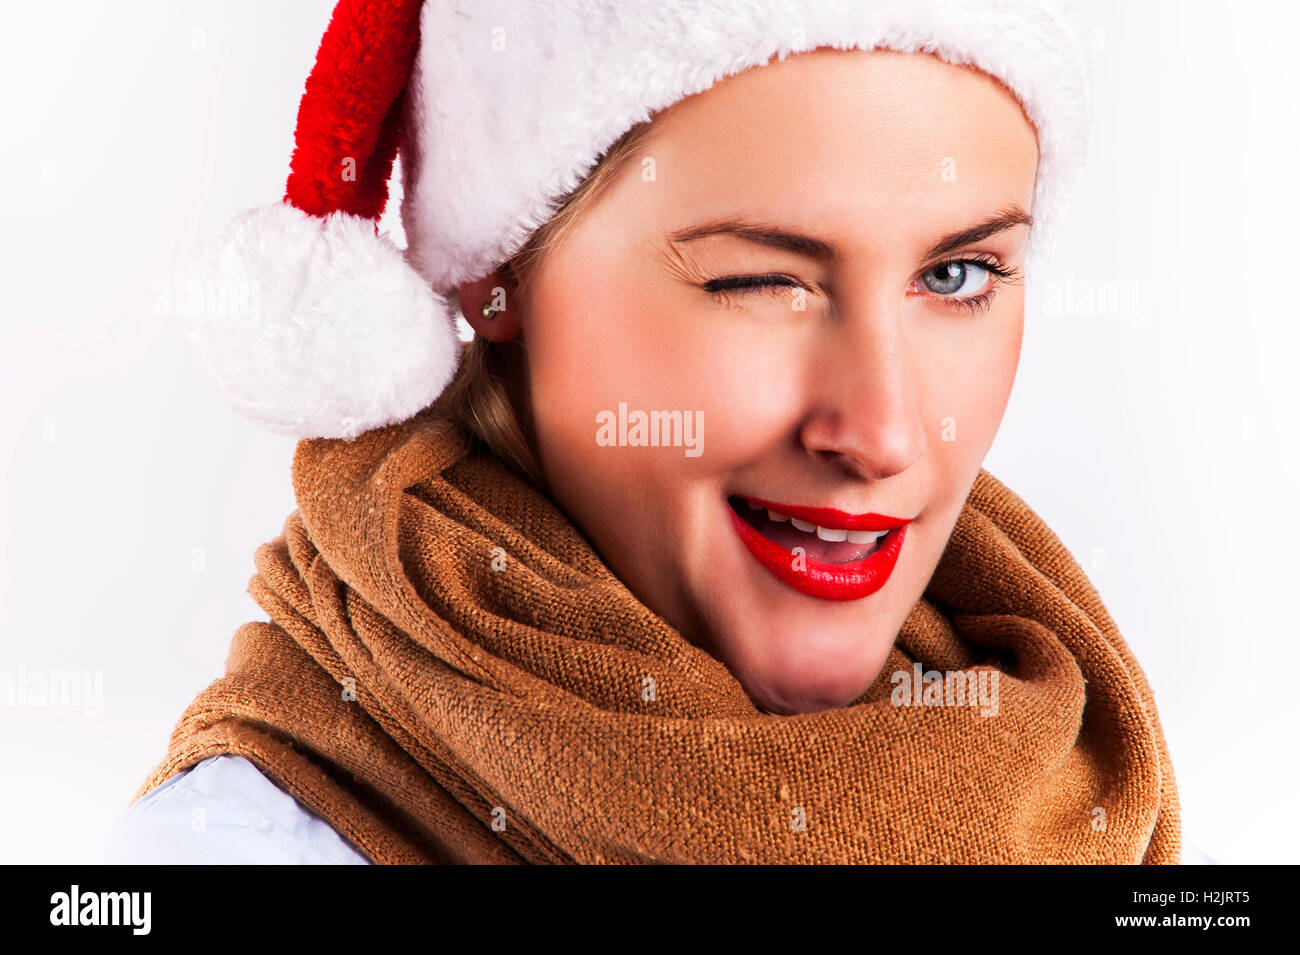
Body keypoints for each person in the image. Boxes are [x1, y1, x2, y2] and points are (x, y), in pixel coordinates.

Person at [106, 0, 1193, 864]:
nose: (883, 431)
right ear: (497, 277)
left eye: (957, 275)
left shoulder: (1055, 759)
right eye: (761, 279)